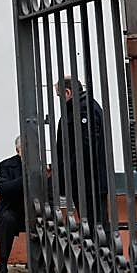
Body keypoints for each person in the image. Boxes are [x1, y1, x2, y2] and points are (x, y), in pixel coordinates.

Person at [53, 75, 110, 235]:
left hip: (89, 179)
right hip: (84, 178)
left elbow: (86, 147)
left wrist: (69, 171)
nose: (59, 100)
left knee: (95, 224)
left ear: (68, 92)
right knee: (91, 223)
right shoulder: (79, 108)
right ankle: (98, 256)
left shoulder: (84, 109)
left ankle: (103, 258)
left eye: (59, 95)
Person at [0, 136, 25, 273]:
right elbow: (2, 189)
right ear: (18, 151)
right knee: (6, 219)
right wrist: (25, 179)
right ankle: (3, 268)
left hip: (35, 210)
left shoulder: (42, 165)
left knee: (50, 223)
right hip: (13, 210)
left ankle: (47, 270)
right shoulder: (7, 165)